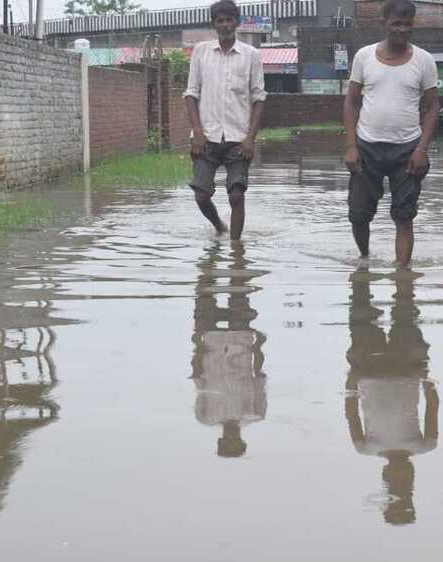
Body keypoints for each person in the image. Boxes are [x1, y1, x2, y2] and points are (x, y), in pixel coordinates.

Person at [343, 0, 441, 268]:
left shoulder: (424, 60)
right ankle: (364, 259)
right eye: (396, 23)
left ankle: (402, 277)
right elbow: (351, 103)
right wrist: (351, 146)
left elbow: (433, 106)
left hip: (407, 150)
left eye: (407, 24)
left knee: (404, 216)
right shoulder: (364, 56)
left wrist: (421, 150)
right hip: (366, 147)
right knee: (358, 215)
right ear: (383, 24)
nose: (402, 30)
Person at [344, 270, 438, 524]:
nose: (402, 476)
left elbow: (351, 414)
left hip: (368, 369)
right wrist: (425, 379)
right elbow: (432, 408)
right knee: (406, 314)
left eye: (397, 481)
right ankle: (403, 277)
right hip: (407, 367)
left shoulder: (365, 448)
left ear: (385, 477)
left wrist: (351, 381)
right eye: (405, 482)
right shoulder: (426, 445)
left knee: (361, 316)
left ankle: (361, 276)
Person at [184, 0, 266, 240]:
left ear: (237, 23)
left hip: (238, 138)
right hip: (206, 138)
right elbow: (191, 94)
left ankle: (236, 250)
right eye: (220, 20)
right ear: (214, 24)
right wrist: (197, 132)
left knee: (236, 196)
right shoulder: (201, 51)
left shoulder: (251, 55)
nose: (225, 24)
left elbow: (259, 99)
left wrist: (250, 138)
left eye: (229, 20)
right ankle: (220, 226)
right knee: (201, 196)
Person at [190, 243, 267, 458]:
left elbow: (198, 377)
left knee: (204, 289)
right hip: (242, 343)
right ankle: (235, 254)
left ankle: (211, 255)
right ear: (241, 439)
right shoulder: (255, 414)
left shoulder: (205, 417)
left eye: (227, 441)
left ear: (221, 439)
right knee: (239, 288)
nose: (230, 437)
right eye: (234, 441)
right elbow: (260, 377)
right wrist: (259, 345)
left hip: (210, 345)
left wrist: (196, 343)